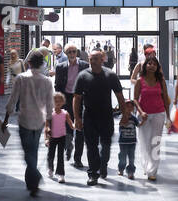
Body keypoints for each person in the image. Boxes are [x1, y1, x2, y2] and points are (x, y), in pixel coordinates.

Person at [2, 50, 55, 197]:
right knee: (33, 151)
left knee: (28, 152)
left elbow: (12, 100)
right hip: (39, 120)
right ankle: (32, 183)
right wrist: (49, 124)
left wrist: (6, 119)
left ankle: (34, 178)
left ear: (29, 63)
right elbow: (50, 105)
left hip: (24, 120)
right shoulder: (46, 81)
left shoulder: (21, 78)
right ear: (42, 64)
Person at [72, 49, 126, 186]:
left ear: (102, 60)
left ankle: (103, 165)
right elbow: (77, 98)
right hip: (89, 116)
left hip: (106, 116)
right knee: (91, 146)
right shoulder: (83, 76)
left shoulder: (110, 75)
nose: (92, 61)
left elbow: (120, 95)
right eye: (91, 58)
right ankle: (93, 174)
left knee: (106, 145)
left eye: (96, 58)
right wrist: (77, 118)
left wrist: (125, 115)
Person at [134, 53, 172, 182]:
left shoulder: (160, 81)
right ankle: (146, 165)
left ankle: (153, 170)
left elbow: (165, 99)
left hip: (158, 114)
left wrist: (168, 116)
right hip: (143, 115)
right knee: (144, 142)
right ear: (145, 66)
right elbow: (135, 99)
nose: (152, 66)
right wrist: (140, 112)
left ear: (157, 67)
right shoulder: (140, 80)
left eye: (154, 64)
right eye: (149, 63)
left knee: (155, 142)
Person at [54, 44, 87, 166]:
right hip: (66, 99)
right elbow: (57, 86)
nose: (72, 54)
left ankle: (77, 158)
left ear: (76, 53)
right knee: (67, 126)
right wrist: (57, 103)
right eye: (69, 52)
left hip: (80, 99)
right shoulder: (60, 67)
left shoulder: (84, 65)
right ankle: (69, 144)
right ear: (66, 54)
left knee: (80, 128)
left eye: (74, 51)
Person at [46, 93, 69, 182]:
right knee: (50, 155)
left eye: (60, 101)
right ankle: (50, 168)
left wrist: (75, 126)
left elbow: (70, 124)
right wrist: (46, 138)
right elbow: (46, 126)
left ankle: (61, 174)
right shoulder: (50, 113)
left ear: (63, 102)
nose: (58, 103)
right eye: (55, 101)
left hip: (62, 137)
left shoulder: (65, 113)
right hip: (52, 137)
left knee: (60, 156)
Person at [117, 101, 140, 179]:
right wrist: (125, 119)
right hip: (123, 141)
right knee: (123, 157)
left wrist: (143, 120)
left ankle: (131, 172)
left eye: (131, 107)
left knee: (131, 158)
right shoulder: (121, 116)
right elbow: (121, 124)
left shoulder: (134, 118)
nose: (129, 108)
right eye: (127, 106)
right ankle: (121, 169)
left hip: (132, 141)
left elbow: (138, 125)